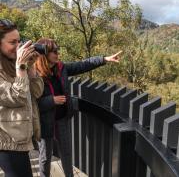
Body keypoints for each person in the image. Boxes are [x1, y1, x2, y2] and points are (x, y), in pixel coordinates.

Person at [34, 38, 121, 177]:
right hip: (45, 122)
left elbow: (83, 65)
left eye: (58, 50)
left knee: (66, 153)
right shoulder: (34, 74)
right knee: (45, 157)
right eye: (54, 51)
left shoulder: (61, 68)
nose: (58, 53)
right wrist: (52, 100)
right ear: (44, 53)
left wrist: (104, 59)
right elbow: (33, 104)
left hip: (61, 118)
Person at [0, 19, 44, 177]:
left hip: (20, 139)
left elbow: (36, 93)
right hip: (6, 142)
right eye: (12, 42)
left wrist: (30, 67)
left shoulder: (14, 63)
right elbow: (16, 98)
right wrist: (21, 66)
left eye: (19, 41)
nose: (18, 46)